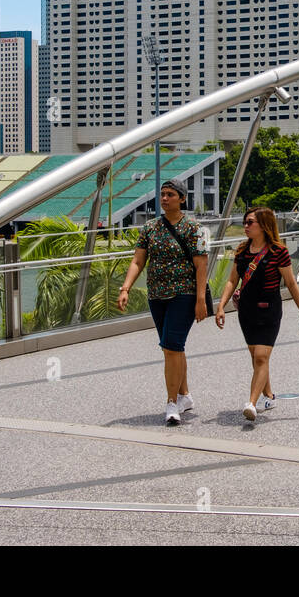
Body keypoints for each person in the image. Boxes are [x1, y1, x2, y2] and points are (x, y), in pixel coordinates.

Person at [118, 180, 208, 425]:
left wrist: (201, 299)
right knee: (173, 348)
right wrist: (125, 287)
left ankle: (171, 404)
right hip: (157, 295)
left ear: (182, 198)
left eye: (170, 194)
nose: (165, 198)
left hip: (184, 293)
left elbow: (201, 264)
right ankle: (185, 395)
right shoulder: (150, 228)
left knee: (171, 346)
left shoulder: (193, 228)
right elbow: (138, 261)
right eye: (162, 194)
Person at [216, 206, 299, 421]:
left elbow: (290, 282)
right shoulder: (241, 251)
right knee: (256, 356)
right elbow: (232, 280)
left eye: (250, 222)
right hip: (246, 312)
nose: (246, 226)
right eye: (245, 222)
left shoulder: (279, 251)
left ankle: (251, 403)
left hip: (269, 310)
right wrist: (221, 306)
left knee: (260, 357)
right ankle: (268, 394)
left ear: (264, 225)